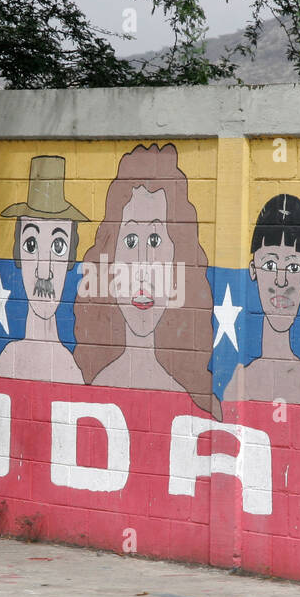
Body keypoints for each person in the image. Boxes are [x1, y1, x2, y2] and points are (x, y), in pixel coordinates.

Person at [73, 143, 217, 417]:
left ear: (179, 259)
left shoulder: (196, 409)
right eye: (129, 240)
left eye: (155, 239)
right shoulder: (89, 393)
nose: (142, 265)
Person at [223, 193, 300, 406]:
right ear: (253, 270)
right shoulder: (239, 383)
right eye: (270, 265)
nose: (282, 281)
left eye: (293, 267)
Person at [0, 156, 87, 383]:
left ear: (71, 258)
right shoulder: (7, 360)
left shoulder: (72, 372)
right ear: (17, 252)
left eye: (58, 246)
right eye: (31, 245)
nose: (44, 272)